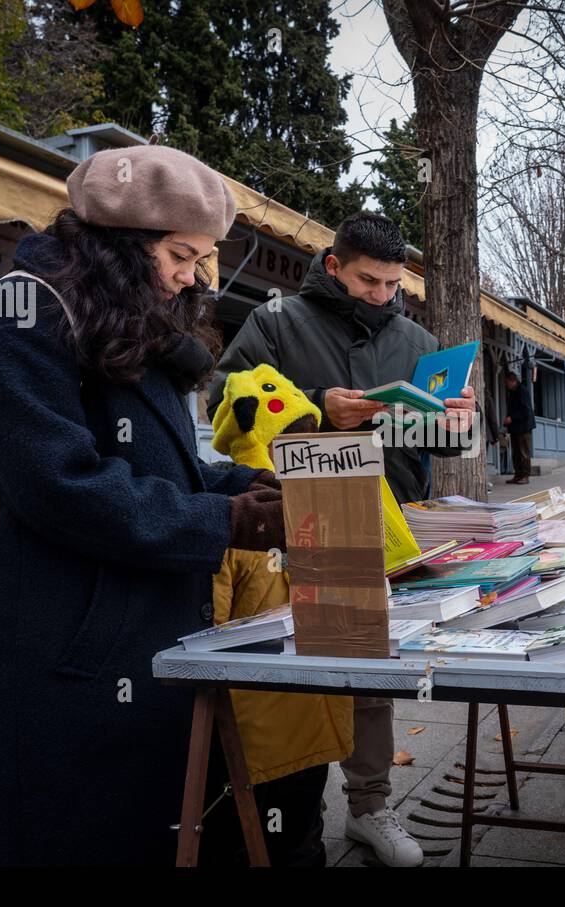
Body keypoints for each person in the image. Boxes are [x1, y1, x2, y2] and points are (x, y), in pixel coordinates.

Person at [0, 144, 337, 866]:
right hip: (68, 636)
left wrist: (243, 490)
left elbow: (165, 464)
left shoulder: (116, 312)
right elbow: (62, 485)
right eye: (182, 256)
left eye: (201, 259)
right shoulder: (21, 318)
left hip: (141, 623)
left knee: (145, 822)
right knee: (71, 830)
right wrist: (228, 520)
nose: (190, 277)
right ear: (124, 244)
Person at [205, 211, 477, 868]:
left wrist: (457, 422)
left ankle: (370, 804)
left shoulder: (417, 337)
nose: (382, 295)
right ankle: (292, 816)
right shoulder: (276, 322)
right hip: (294, 517)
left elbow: (442, 441)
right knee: (296, 668)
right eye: (368, 281)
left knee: (371, 667)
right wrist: (319, 403)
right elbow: (224, 399)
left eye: (391, 283)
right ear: (333, 266)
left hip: (389, 518)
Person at [504, 369, 534, 484]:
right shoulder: (513, 392)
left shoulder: (522, 391)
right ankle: (518, 475)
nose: (506, 385)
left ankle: (525, 475)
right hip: (515, 427)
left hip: (524, 427)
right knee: (516, 453)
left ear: (513, 381)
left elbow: (526, 410)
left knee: (523, 452)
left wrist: (512, 418)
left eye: (507, 382)